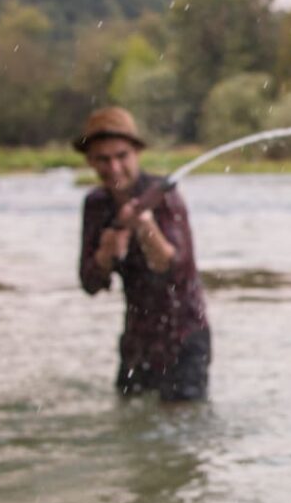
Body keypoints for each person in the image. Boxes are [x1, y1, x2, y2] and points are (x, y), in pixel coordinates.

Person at [76, 107, 211, 402]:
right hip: (136, 342)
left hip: (184, 338)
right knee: (129, 431)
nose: (113, 168)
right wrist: (106, 254)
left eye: (121, 156)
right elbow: (89, 282)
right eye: (103, 159)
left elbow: (175, 268)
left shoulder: (164, 197)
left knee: (180, 432)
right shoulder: (95, 204)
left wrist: (144, 226)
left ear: (136, 153)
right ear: (89, 161)